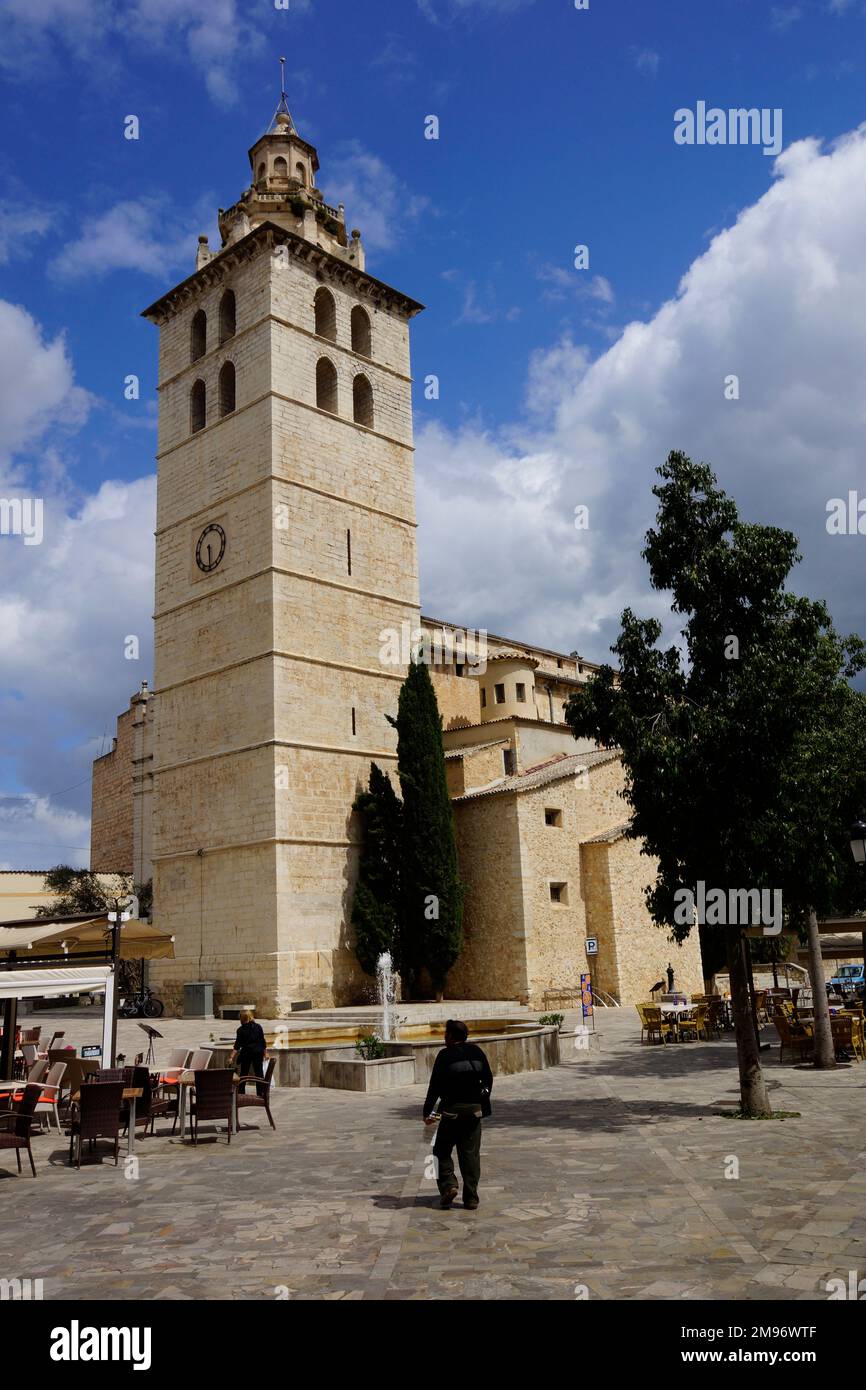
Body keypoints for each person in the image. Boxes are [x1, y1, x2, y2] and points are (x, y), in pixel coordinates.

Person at [423, 1019, 493, 1211]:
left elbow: (435, 1087)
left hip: (451, 1112)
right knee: (470, 1155)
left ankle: (449, 1185)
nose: (444, 1038)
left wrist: (428, 1113)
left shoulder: (444, 1055)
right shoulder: (477, 1052)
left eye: (446, 1034)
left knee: (440, 1151)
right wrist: (482, 1099)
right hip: (474, 1112)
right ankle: (471, 1199)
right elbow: (488, 1080)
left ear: (451, 1037)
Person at [229, 1010, 267, 1097]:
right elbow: (262, 1041)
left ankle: (241, 1092)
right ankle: (260, 1093)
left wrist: (231, 1057)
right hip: (258, 1053)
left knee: (244, 1074)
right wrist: (265, 1053)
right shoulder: (258, 1027)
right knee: (259, 1073)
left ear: (242, 1018)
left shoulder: (240, 1030)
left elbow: (237, 1045)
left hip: (246, 1054)